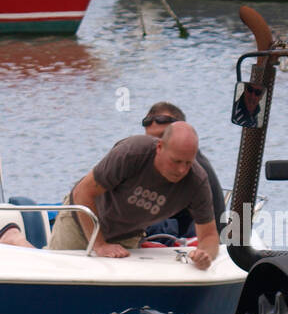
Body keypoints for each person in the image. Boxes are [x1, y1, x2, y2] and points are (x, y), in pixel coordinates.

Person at [48, 122, 219, 270]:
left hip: (126, 237)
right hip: (81, 221)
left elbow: (209, 236)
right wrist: (99, 244)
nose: (181, 170)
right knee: (61, 273)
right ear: (159, 147)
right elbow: (83, 192)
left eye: (188, 163)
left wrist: (205, 256)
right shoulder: (133, 153)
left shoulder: (197, 180)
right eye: (176, 161)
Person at [140, 101, 220, 240]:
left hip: (195, 239)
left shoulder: (188, 168)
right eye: (150, 140)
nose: (155, 146)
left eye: (161, 136)